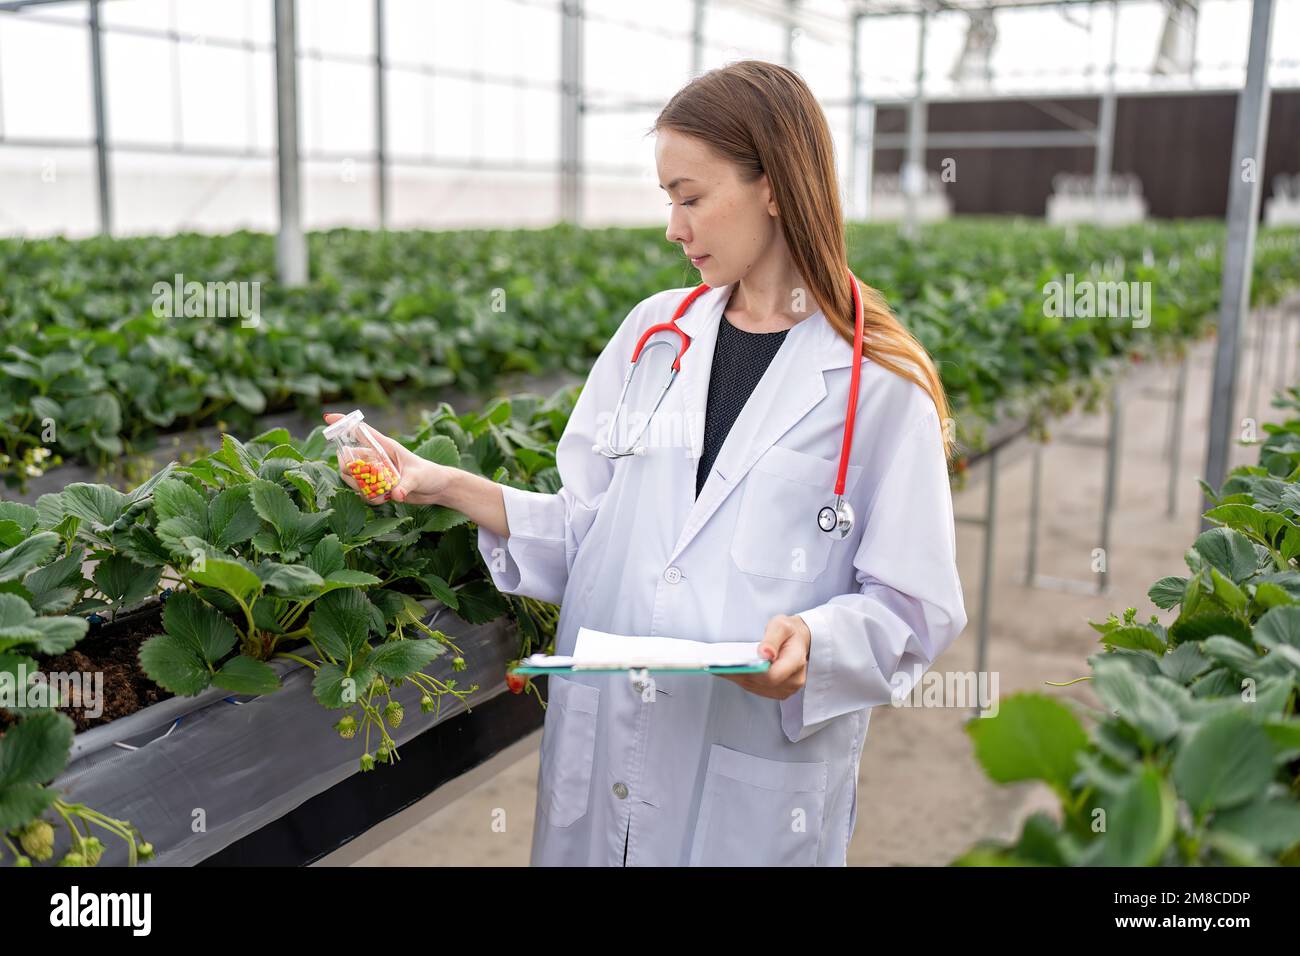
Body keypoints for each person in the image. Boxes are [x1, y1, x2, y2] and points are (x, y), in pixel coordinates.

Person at [324, 60, 967, 867]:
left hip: (751, 785)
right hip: (606, 759)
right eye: (668, 198)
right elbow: (589, 529)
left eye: (690, 197)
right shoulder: (651, 339)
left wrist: (817, 642)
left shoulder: (879, 386)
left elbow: (914, 608)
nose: (673, 226)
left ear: (774, 185)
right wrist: (441, 482)